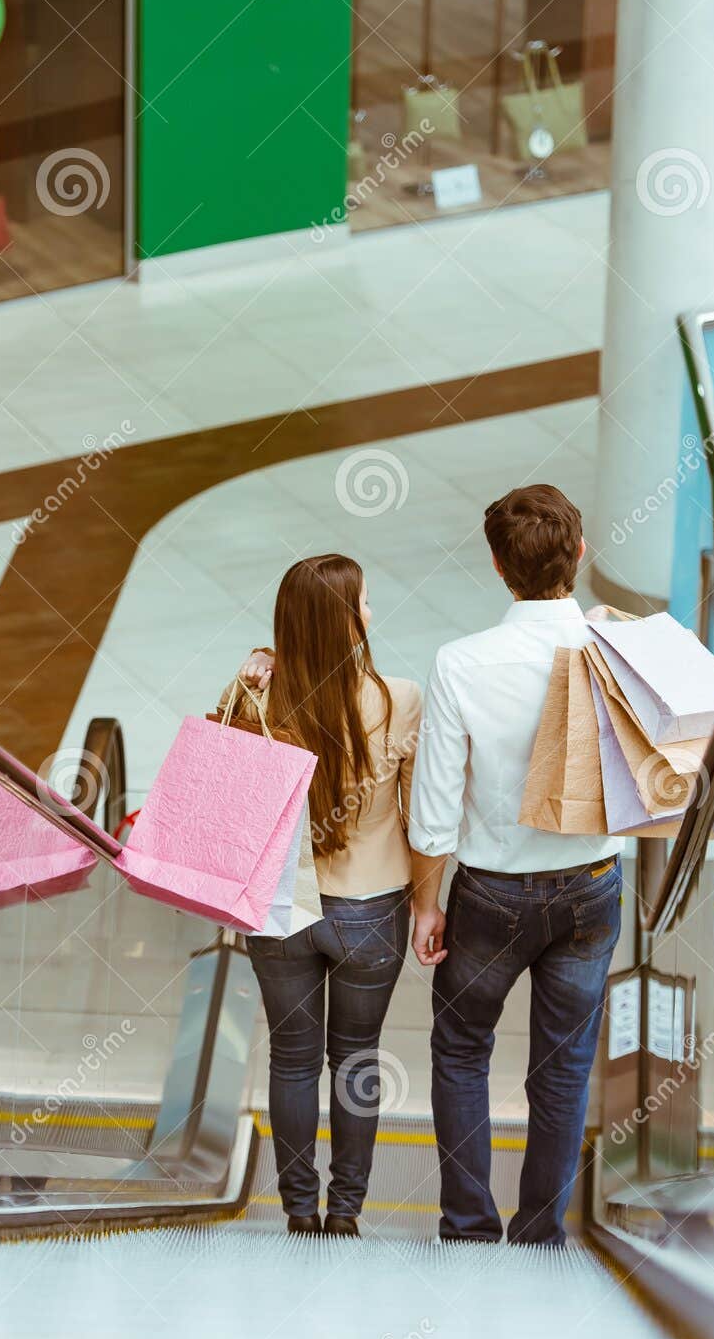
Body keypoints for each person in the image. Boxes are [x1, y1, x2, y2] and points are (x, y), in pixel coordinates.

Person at [407, 484, 621, 1247]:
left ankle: (468, 1225)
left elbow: (433, 809)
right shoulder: (614, 651)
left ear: (498, 566)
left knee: (462, 1050)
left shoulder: (462, 663)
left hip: (491, 896)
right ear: (583, 552)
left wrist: (427, 906)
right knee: (562, 1070)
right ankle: (539, 1234)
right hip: (593, 888)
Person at [228, 555, 421, 1237]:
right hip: (370, 907)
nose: (371, 612)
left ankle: (297, 1210)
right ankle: (346, 1211)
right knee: (356, 1060)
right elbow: (420, 819)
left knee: (292, 1058)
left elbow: (227, 801)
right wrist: (428, 904)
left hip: (282, 908)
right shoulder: (400, 698)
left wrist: (252, 673)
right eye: (364, 603)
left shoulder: (253, 695)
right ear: (345, 620)